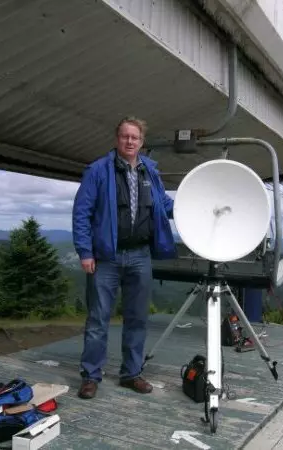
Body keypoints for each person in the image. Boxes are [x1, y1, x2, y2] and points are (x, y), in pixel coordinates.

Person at [72, 116, 176, 399]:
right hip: (105, 257)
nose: (130, 141)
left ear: (142, 142)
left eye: (135, 137)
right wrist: (85, 251)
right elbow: (82, 213)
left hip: (140, 255)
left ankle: (131, 374)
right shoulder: (97, 170)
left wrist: (195, 206)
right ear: (117, 139)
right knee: (98, 320)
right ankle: (91, 376)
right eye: (125, 136)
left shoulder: (150, 172)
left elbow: (164, 204)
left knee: (137, 318)